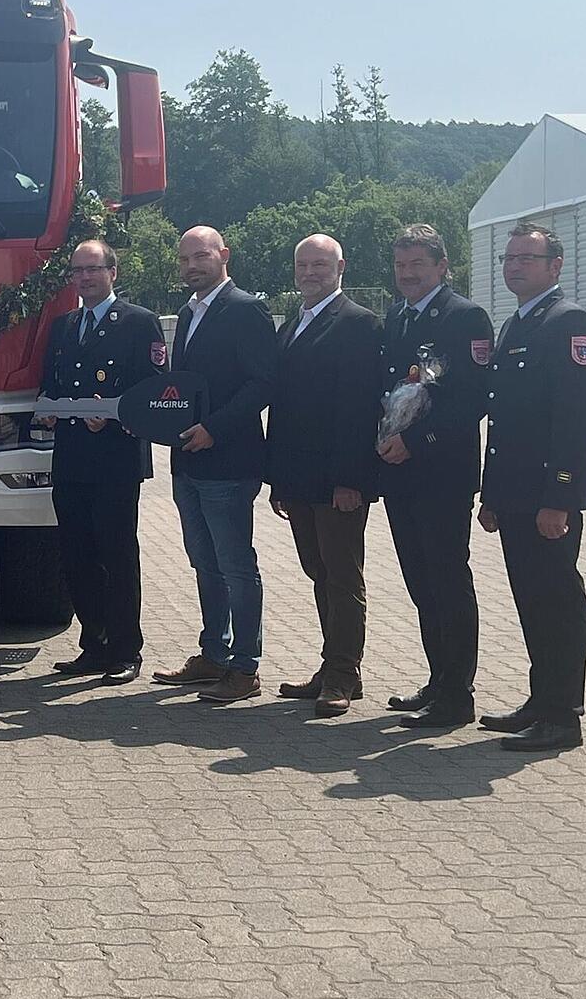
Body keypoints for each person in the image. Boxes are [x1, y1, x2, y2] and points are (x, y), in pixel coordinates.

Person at [477, 222, 586, 752]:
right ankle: (541, 700)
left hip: (548, 497)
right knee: (532, 600)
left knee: (557, 603)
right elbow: (503, 420)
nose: (514, 267)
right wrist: (492, 494)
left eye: (526, 259)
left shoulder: (569, 322)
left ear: (555, 266)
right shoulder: (518, 323)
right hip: (515, 494)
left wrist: (559, 497)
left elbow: (578, 419)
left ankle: (563, 715)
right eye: (508, 258)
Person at [150, 226, 279, 705]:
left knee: (236, 567)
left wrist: (214, 429)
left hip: (227, 462)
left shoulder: (246, 310)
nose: (192, 266)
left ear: (223, 255)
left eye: (201, 256)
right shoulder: (188, 312)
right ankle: (214, 654)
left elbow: (262, 384)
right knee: (204, 563)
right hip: (187, 463)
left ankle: (245, 668)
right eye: (185, 259)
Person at [376, 224, 494, 730]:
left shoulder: (464, 317)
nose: (407, 274)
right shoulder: (397, 316)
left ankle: (457, 694)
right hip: (399, 473)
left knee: (447, 580)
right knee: (421, 582)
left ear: (442, 266)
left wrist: (416, 440)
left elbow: (472, 399)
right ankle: (438, 679)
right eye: (400, 265)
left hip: (441, 472)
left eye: (417, 265)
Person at [38, 239, 165, 685]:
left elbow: (152, 389)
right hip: (71, 456)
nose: (85, 278)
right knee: (76, 555)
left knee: (116, 554)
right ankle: (93, 644)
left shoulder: (139, 321)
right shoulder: (65, 325)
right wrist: (47, 408)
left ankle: (126, 649)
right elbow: (52, 383)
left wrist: (112, 416)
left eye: (93, 269)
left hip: (115, 458)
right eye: (78, 270)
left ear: (113, 272)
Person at [265, 235, 383, 718]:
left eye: (320, 264)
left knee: (343, 578)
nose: (310, 273)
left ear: (340, 267)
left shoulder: (358, 323)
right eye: (303, 265)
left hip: (338, 483)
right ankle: (331, 663)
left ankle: (343, 674)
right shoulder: (293, 324)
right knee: (319, 573)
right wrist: (279, 480)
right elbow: (284, 408)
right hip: (299, 480)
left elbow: (359, 409)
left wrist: (350, 480)